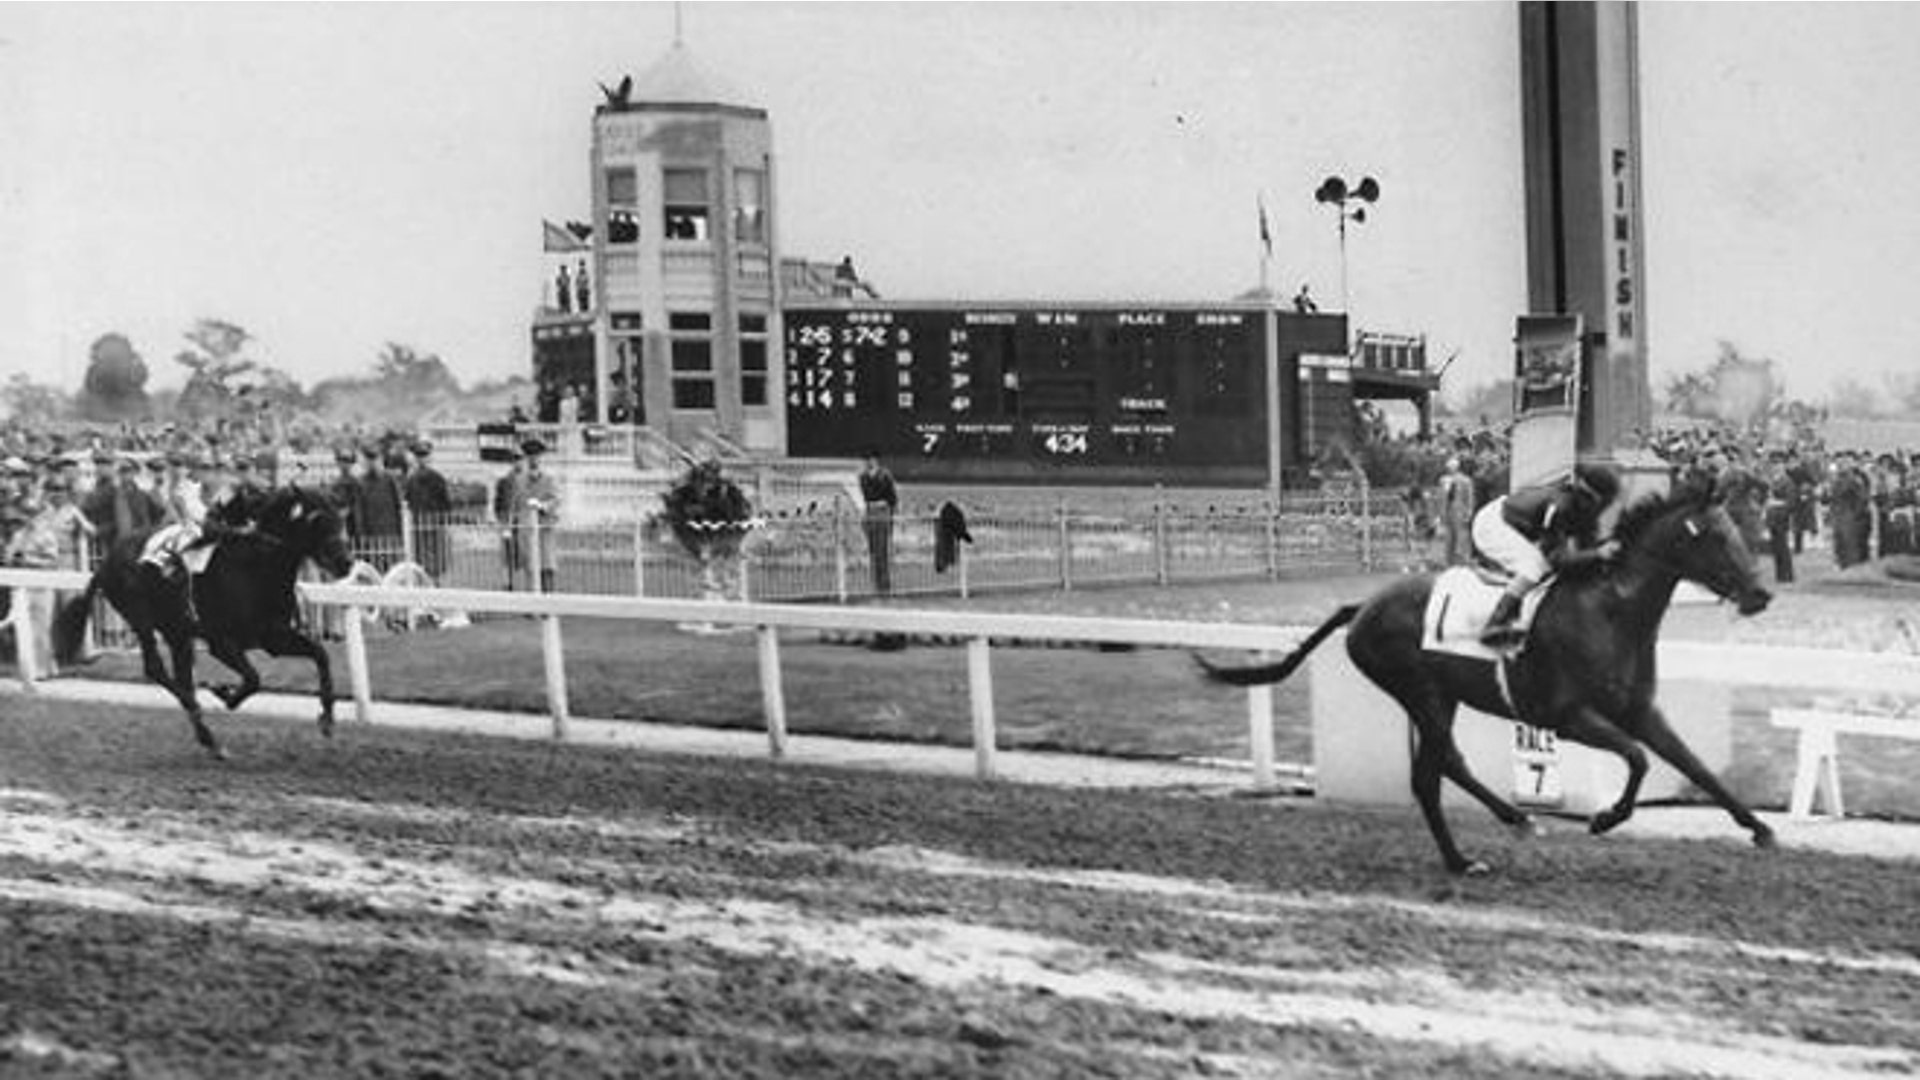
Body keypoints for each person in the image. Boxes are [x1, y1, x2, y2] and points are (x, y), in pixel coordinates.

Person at [1470, 462, 1624, 645]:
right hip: (1493, 524)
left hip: (1519, 525)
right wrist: (1598, 554)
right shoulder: (1560, 507)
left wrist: (1603, 552)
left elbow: (1586, 553)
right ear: (1593, 497)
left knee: (1546, 567)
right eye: (1607, 502)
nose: (1606, 508)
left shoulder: (1586, 509)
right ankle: (1494, 624)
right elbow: (1557, 559)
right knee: (1535, 566)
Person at [401, 440, 453, 580]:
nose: (422, 459)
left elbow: (446, 505)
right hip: (418, 527)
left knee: (436, 562)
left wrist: (441, 521)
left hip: (435, 526)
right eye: (419, 456)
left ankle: (435, 587)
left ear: (430, 457)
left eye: (424, 455)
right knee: (420, 563)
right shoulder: (411, 480)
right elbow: (408, 503)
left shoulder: (438, 479)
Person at [857, 449, 897, 596]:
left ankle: (885, 585)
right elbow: (865, 495)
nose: (869, 462)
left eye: (871, 459)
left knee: (882, 550)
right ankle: (876, 584)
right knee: (873, 551)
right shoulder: (862, 477)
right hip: (870, 512)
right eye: (866, 459)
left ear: (876, 460)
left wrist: (889, 514)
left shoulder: (885, 475)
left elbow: (892, 497)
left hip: (883, 511)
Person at [1436, 456, 1477, 567]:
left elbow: (1470, 497)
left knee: (1462, 537)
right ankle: (1448, 562)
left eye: (1452, 467)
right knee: (1449, 537)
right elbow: (1440, 497)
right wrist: (1440, 513)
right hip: (1447, 510)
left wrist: (1469, 512)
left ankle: (1462, 561)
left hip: (1460, 511)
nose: (1449, 469)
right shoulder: (1443, 480)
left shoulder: (1466, 480)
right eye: (1448, 467)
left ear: (1457, 467)